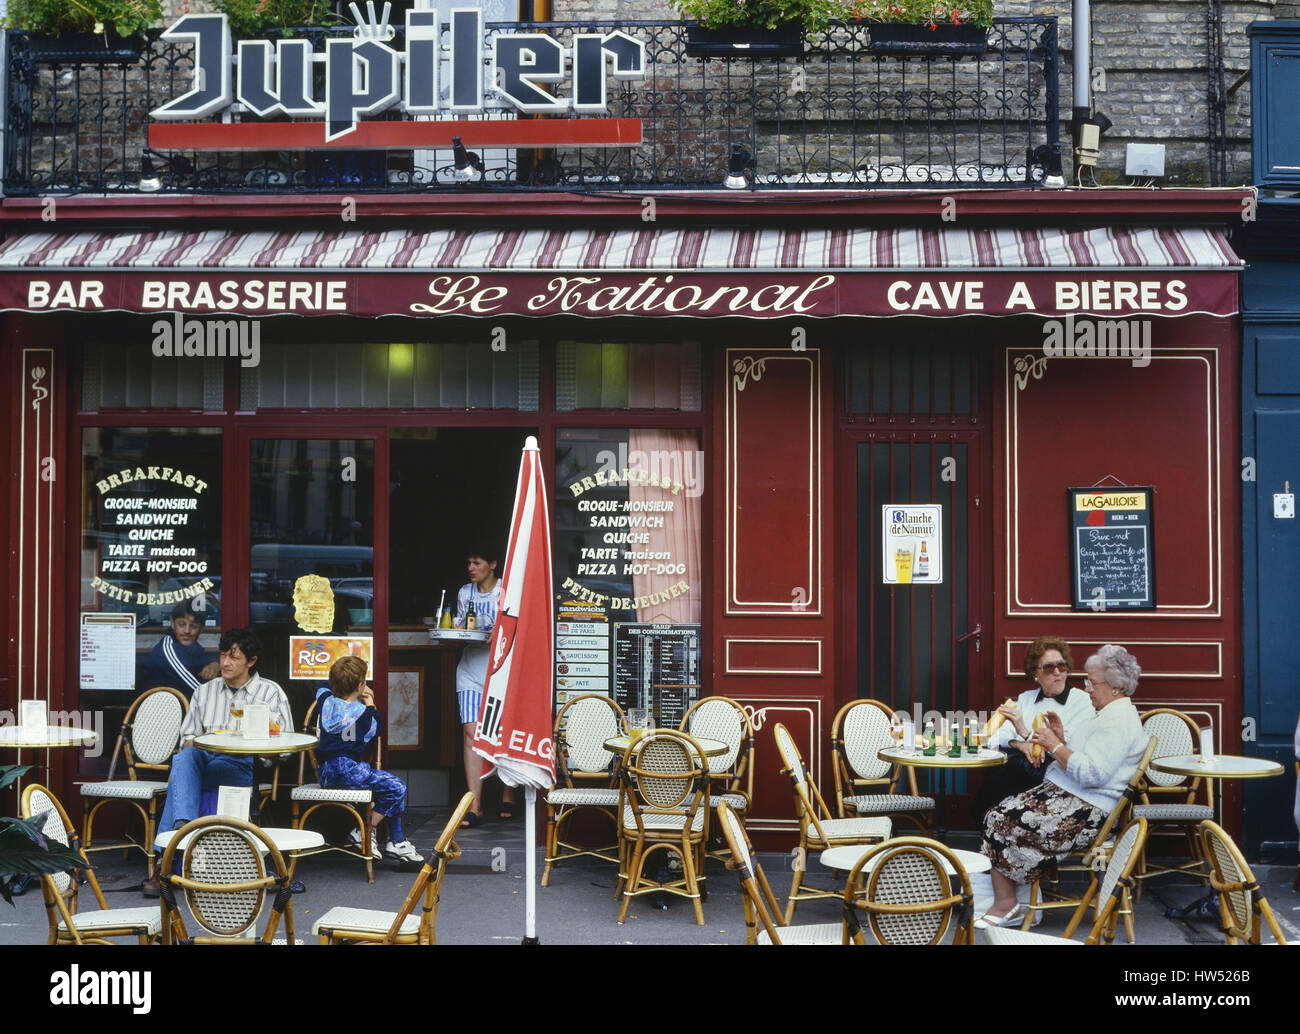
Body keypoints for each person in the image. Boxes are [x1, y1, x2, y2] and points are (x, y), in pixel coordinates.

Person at [976, 643, 1148, 929]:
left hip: (1088, 810)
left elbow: (1092, 773)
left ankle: (1007, 902)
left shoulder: (1118, 721)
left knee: (1002, 817)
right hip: (1072, 796)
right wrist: (1060, 739)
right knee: (999, 808)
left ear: (1115, 686)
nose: (1087, 688)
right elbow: (1087, 758)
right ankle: (1010, 898)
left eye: (1092, 683)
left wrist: (1054, 745)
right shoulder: (1108, 713)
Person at [145, 628, 293, 896]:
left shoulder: (270, 693)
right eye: (223, 655)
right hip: (202, 762)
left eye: (234, 657)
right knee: (185, 757)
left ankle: (165, 860)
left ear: (251, 661)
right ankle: (182, 825)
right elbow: (188, 738)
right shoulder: (205, 692)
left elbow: (284, 750)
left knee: (181, 775)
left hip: (242, 765)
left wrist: (261, 736)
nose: (225, 663)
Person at [970, 636, 1095, 825]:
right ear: (1035, 673)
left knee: (1007, 770)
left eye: (1062, 666)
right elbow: (993, 737)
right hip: (1020, 770)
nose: (1057, 673)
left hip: (1053, 774)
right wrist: (1020, 744)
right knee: (1000, 763)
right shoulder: (1026, 699)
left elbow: (1068, 744)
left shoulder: (1081, 701)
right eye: (1048, 668)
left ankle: (986, 819)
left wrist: (1024, 732)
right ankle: (991, 821)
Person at [315, 656, 423, 864]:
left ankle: (397, 840)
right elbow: (375, 730)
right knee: (397, 787)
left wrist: (338, 683)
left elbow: (321, 687)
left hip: (327, 773)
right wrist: (370, 701)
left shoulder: (326, 702)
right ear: (360, 685)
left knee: (387, 786)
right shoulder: (364, 714)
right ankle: (364, 830)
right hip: (349, 771)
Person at [454, 547, 516, 827]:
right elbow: (461, 625)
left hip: (501, 670)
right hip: (470, 668)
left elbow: (520, 627)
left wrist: (501, 629)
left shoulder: (506, 590)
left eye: (476, 562)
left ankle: (507, 793)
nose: (471, 567)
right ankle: (474, 803)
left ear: (492, 564)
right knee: (471, 733)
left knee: (503, 731)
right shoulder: (464, 593)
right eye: (468, 562)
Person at [137, 602, 220, 697]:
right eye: (182, 624)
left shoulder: (191, 645)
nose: (187, 631)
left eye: (193, 626)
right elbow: (200, 692)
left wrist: (215, 664)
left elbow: (204, 663)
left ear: (201, 629)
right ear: (172, 624)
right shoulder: (168, 650)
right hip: (161, 709)